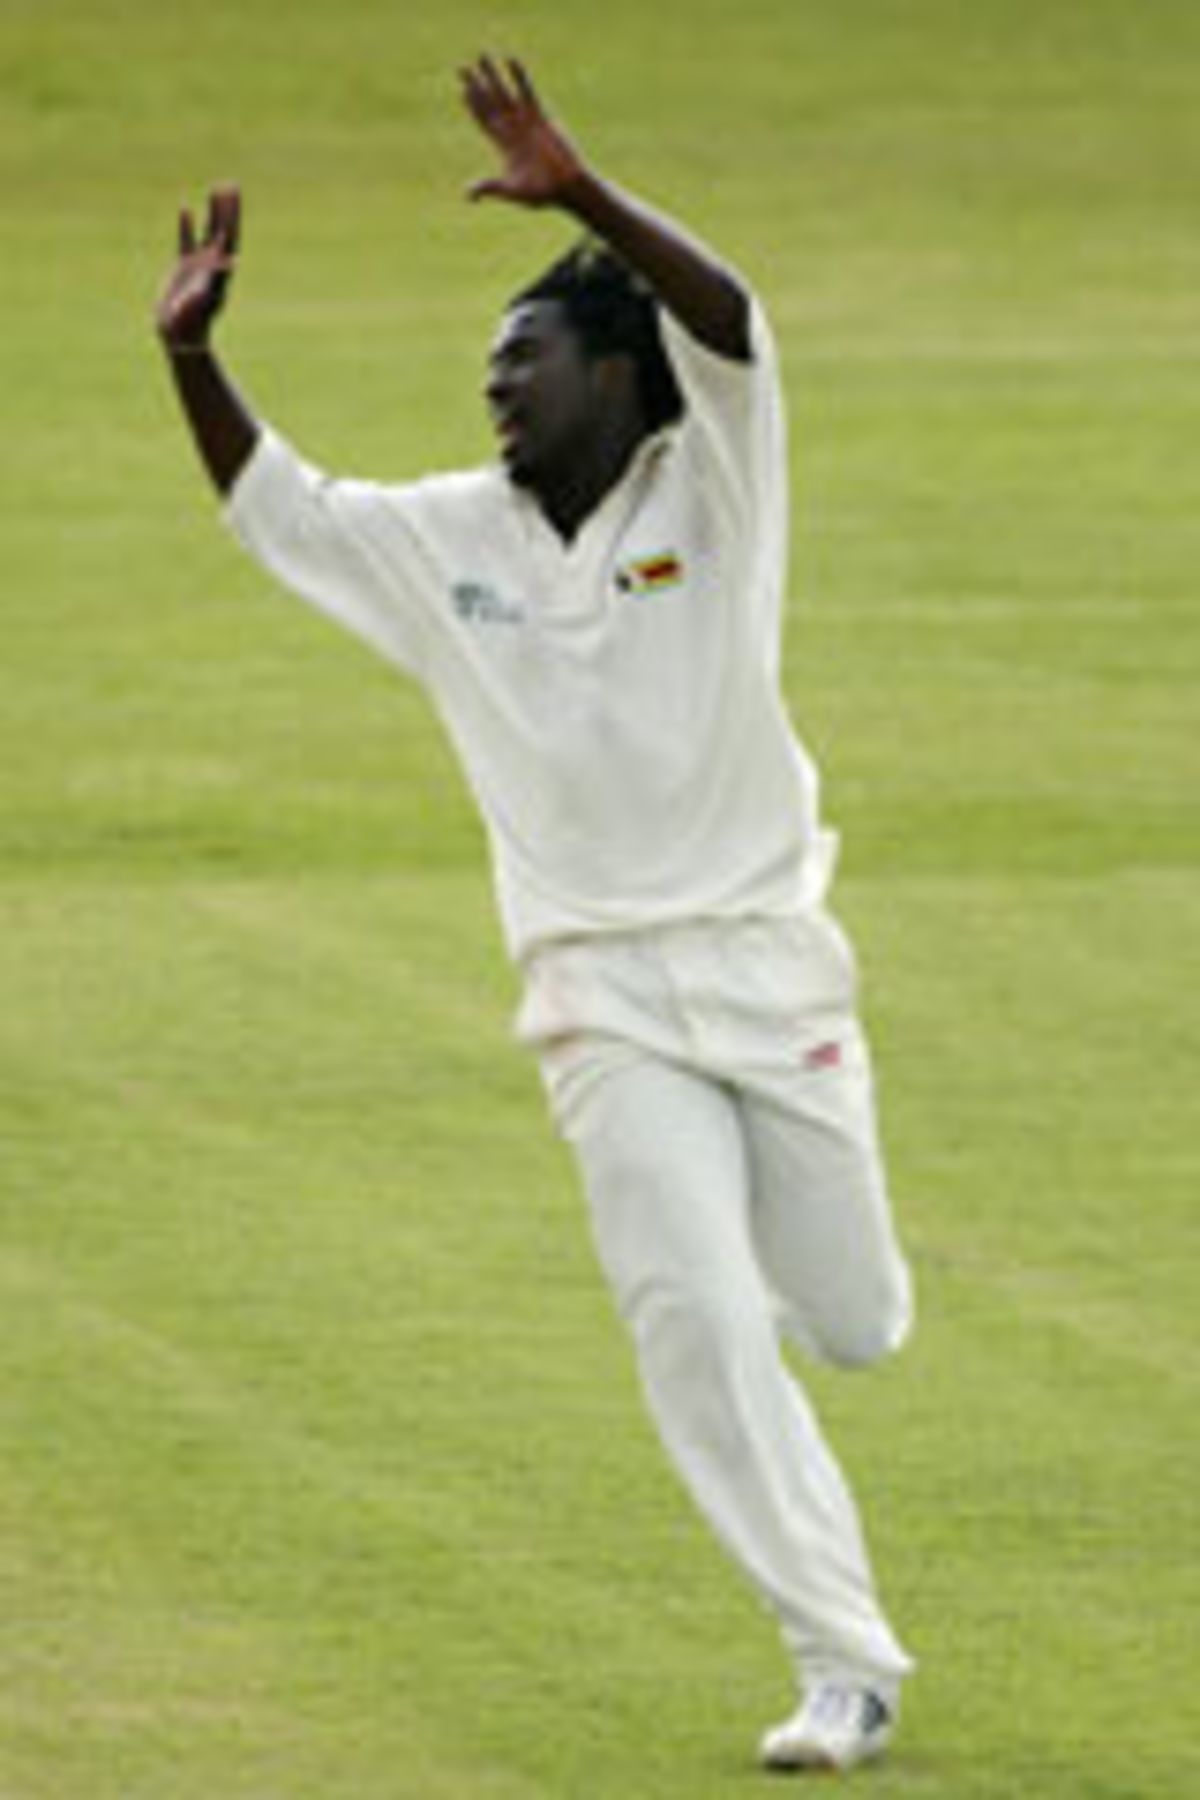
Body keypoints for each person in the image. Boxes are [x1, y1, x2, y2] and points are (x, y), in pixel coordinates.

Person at [155, 54, 916, 1776]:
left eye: (528, 356)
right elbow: (282, 507)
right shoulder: (449, 545)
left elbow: (733, 318)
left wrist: (580, 194)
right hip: (596, 996)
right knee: (695, 1326)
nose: (495, 383)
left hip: (764, 960)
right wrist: (193, 357)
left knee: (852, 1319)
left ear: (619, 376)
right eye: (491, 362)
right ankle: (842, 1664)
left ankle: (794, 1289)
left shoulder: (714, 482)